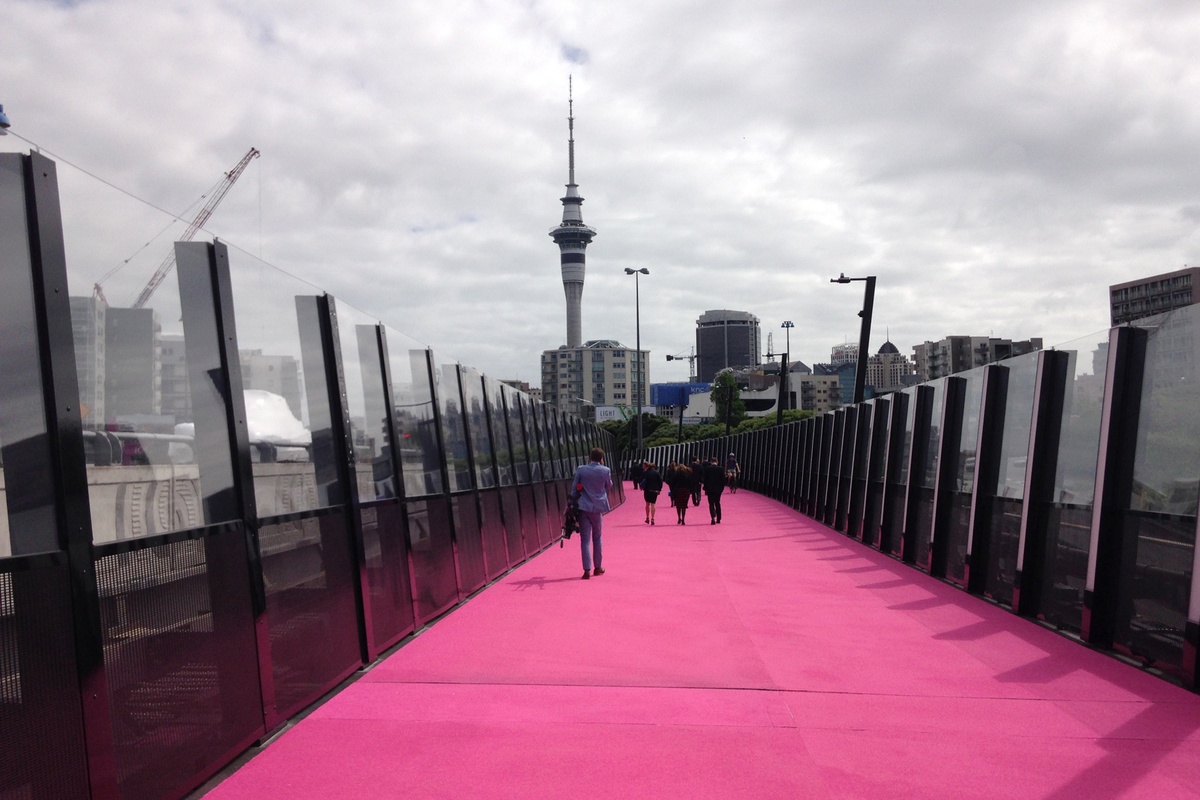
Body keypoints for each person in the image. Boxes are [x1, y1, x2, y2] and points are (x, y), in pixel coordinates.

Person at [570, 447, 613, 580]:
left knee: (585, 539)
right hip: (597, 508)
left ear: (590, 457)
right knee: (597, 537)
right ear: (601, 458)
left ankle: (586, 570)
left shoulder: (581, 469)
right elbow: (609, 486)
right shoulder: (605, 470)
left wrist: (571, 504)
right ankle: (598, 567)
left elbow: (574, 489)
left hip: (583, 507)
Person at [702, 457, 728, 524]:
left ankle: (713, 517)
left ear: (711, 462)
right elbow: (723, 480)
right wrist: (722, 488)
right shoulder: (721, 469)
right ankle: (718, 518)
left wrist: (705, 488)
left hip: (710, 489)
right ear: (717, 462)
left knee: (711, 504)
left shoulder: (707, 469)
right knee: (717, 503)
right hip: (718, 489)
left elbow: (705, 479)